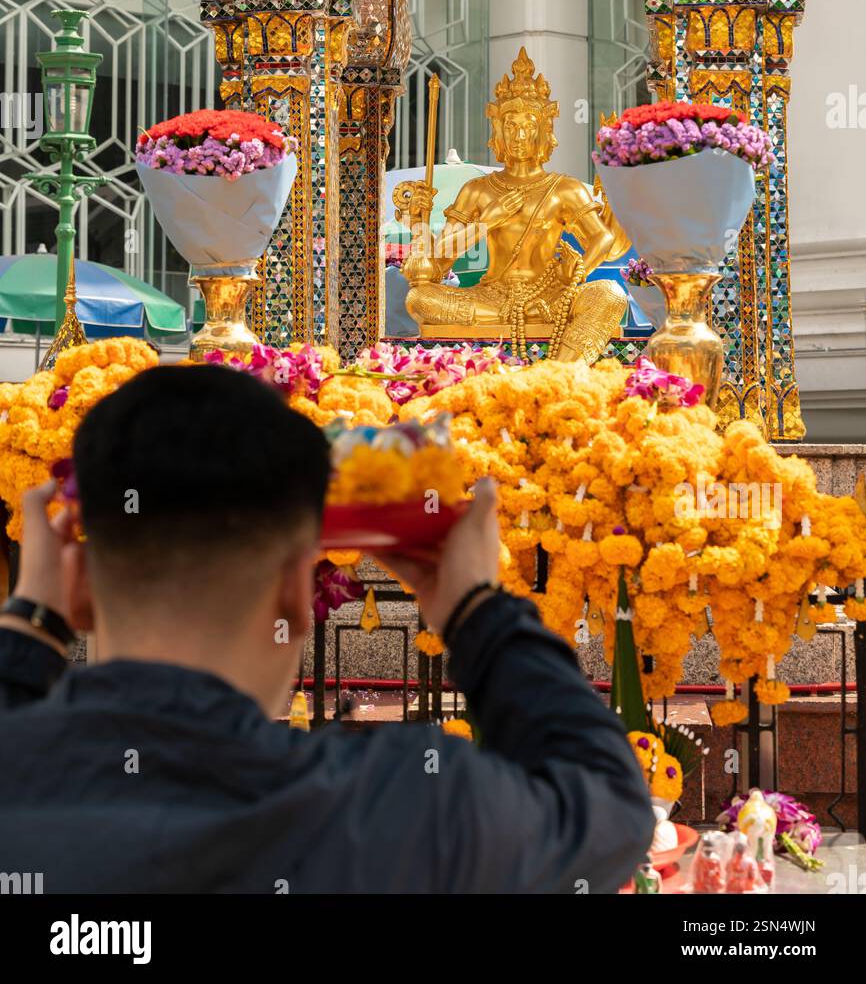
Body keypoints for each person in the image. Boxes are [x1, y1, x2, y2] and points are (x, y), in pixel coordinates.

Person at [0, 365, 653, 893]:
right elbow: (610, 806)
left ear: (78, 590)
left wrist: (29, 628)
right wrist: (476, 608)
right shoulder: (404, 811)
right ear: (296, 595)